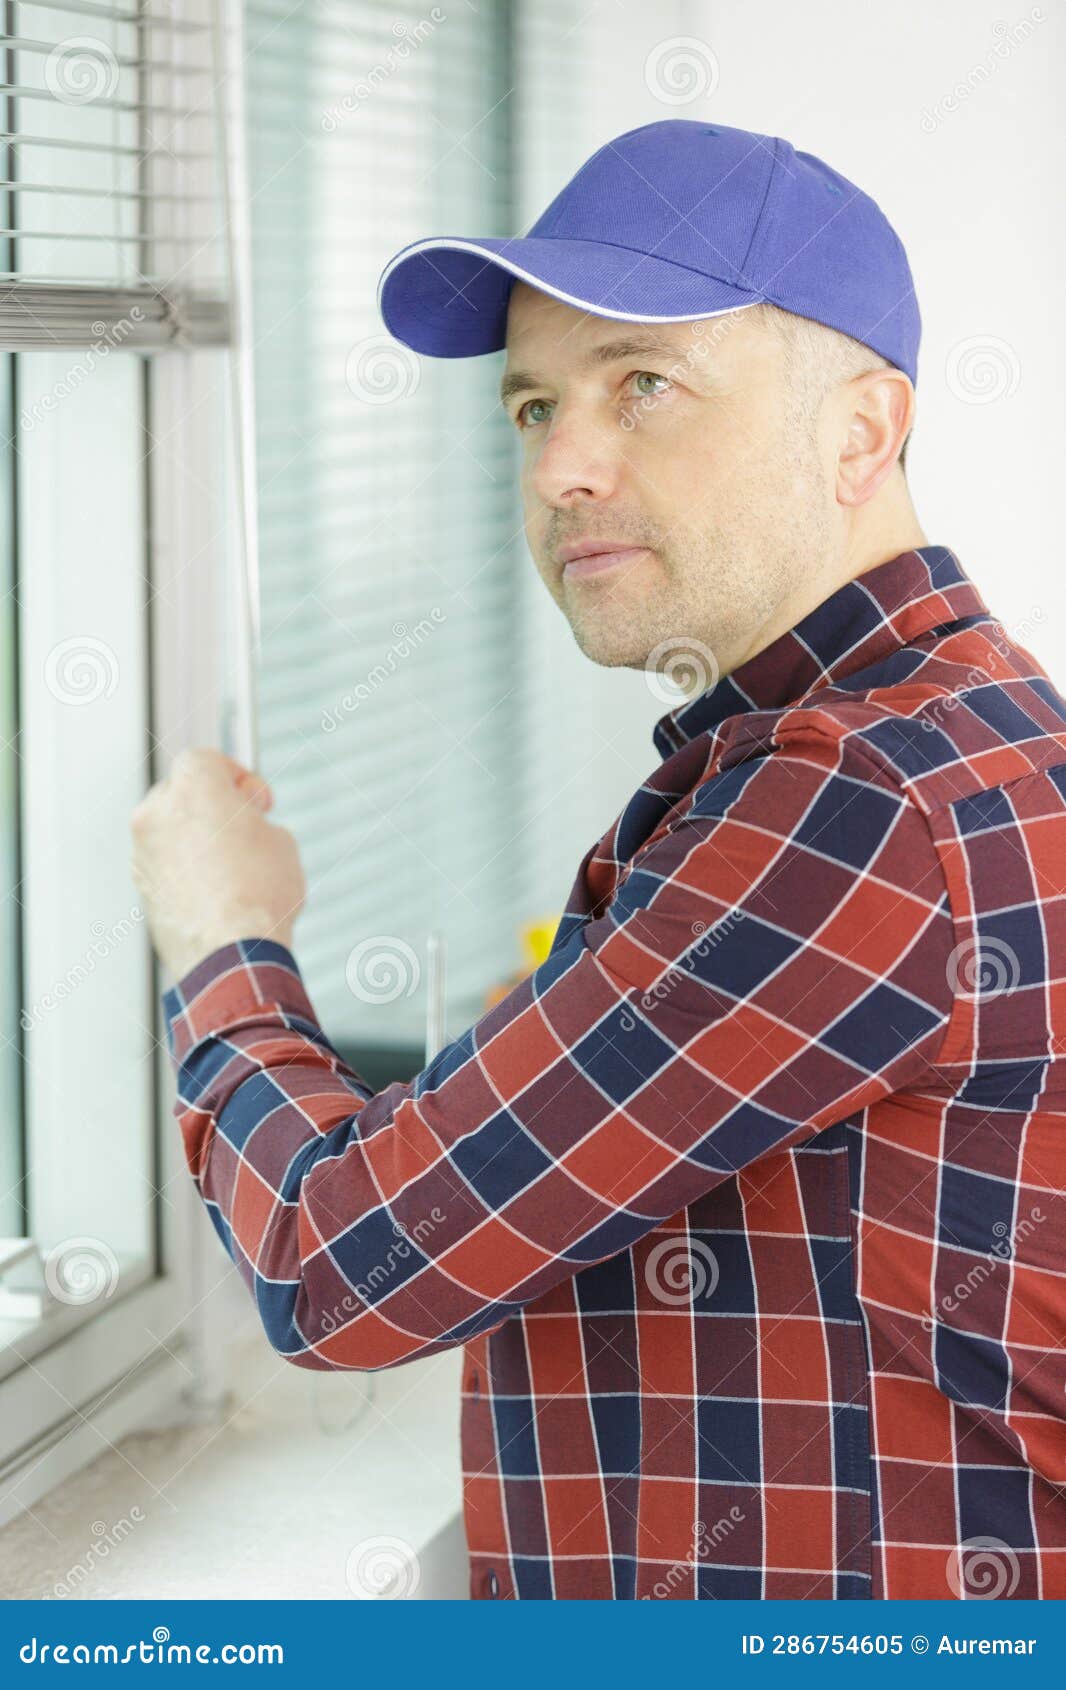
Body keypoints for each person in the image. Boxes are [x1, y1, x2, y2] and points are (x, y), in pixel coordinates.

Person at [130, 119, 1066, 1601]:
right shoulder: (952, 734)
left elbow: (342, 1262)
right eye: (531, 406)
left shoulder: (855, 802)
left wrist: (220, 935)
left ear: (860, 433)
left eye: (645, 385)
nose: (561, 466)